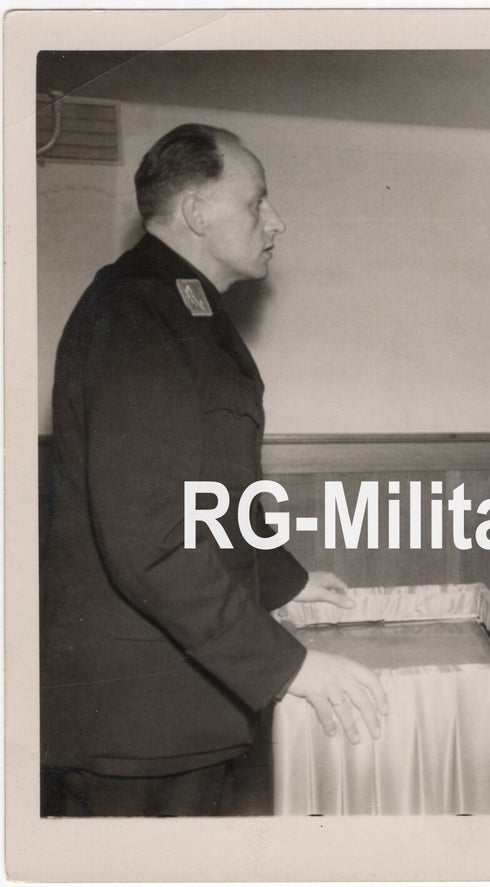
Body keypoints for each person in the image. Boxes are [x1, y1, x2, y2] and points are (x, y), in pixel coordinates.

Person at [40, 124, 387, 817]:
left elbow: (211, 492)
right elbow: (151, 540)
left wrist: (286, 580)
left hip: (177, 697)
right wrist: (287, 664)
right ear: (197, 213)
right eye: (257, 202)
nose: (276, 221)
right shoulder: (135, 314)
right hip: (137, 714)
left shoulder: (183, 306)